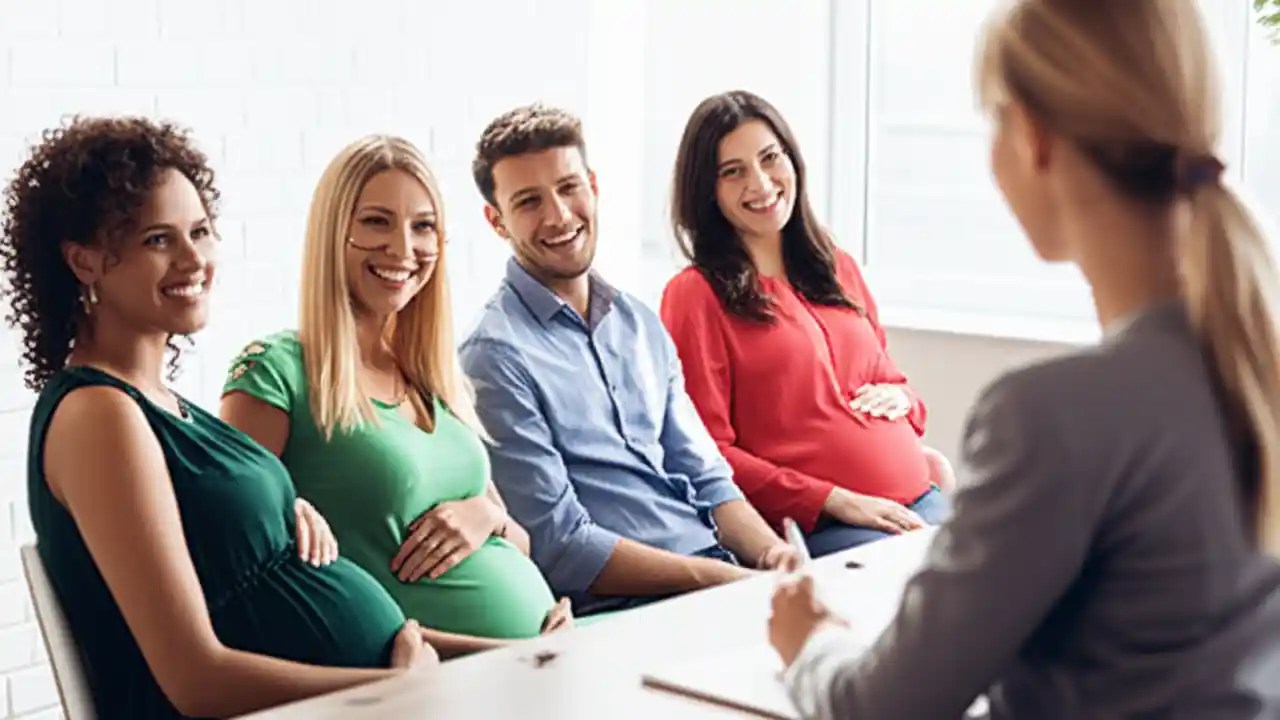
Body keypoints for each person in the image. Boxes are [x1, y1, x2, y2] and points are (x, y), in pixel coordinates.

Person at [768, 1, 1280, 718]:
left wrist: (810, 642)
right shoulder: (1257, 370)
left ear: (1036, 139)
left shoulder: (1052, 414)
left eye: (995, 121)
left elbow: (880, 709)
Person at [1, 117, 435, 719]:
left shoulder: (165, 406)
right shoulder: (99, 414)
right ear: (85, 262)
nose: (193, 259)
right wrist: (395, 689)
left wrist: (520, 649)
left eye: (200, 232)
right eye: (159, 239)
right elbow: (194, 679)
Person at [220, 135, 572, 657]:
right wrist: (473, 652)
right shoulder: (277, 373)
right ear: (333, 233)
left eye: (422, 226)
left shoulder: (431, 373)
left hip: (543, 653)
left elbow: (517, 540)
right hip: (426, 676)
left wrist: (487, 515)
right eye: (376, 222)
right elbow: (248, 587)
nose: (403, 249)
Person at [459, 103, 799, 616]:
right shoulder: (494, 357)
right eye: (529, 201)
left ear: (592, 185)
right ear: (496, 220)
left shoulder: (638, 323)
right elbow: (562, 544)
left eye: (569, 187)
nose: (558, 215)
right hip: (630, 607)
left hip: (714, 573)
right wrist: (723, 580)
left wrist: (772, 554)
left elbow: (706, 475)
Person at [662, 90, 953, 556]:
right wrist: (835, 500)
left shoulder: (837, 268)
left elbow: (895, 387)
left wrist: (903, 398)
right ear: (707, 191)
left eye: (769, 158)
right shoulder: (696, 296)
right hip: (824, 525)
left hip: (917, 500)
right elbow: (707, 454)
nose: (759, 183)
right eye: (732, 171)